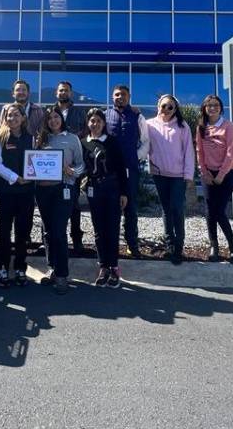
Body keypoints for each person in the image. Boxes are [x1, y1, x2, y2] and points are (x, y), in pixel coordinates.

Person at [35, 107, 84, 294]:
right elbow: (33, 162)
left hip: (64, 188)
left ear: (61, 119)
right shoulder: (41, 139)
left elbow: (81, 164)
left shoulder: (72, 138)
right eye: (49, 118)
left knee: (58, 231)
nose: (53, 120)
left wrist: (73, 172)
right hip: (43, 189)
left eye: (56, 117)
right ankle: (52, 268)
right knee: (47, 231)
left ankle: (62, 274)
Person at [79, 108, 128, 288]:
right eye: (92, 120)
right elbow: (80, 167)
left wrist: (124, 193)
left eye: (99, 121)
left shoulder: (112, 142)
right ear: (88, 123)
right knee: (98, 229)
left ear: (104, 123)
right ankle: (103, 266)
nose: (95, 124)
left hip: (112, 188)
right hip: (94, 189)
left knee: (112, 228)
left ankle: (114, 267)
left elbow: (122, 169)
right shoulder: (84, 143)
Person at [146, 94, 195, 265]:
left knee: (177, 209)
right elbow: (143, 144)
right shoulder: (149, 125)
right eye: (164, 105)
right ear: (158, 105)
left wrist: (189, 176)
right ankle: (170, 246)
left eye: (170, 107)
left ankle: (179, 247)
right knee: (166, 210)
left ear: (175, 110)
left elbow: (189, 151)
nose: (166, 109)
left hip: (177, 176)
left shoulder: (183, 126)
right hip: (159, 175)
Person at [0, 104, 35, 288]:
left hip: (26, 193)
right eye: (9, 115)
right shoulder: (0, 137)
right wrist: (15, 178)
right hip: (6, 192)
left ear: (23, 118)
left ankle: (20, 268)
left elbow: (37, 160)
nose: (12, 118)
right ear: (5, 118)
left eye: (16, 115)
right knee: (4, 232)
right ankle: (2, 268)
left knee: (23, 233)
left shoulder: (31, 138)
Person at [196, 94, 233, 264]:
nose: (212, 108)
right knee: (210, 211)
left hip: (226, 174)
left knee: (219, 211)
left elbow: (231, 153)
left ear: (221, 108)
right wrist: (204, 172)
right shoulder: (201, 127)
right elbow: (199, 151)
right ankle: (214, 246)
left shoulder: (228, 126)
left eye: (215, 105)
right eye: (209, 106)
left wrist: (221, 175)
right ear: (205, 109)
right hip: (208, 174)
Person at [105, 84, 149, 258]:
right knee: (111, 208)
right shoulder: (105, 115)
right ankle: (110, 244)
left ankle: (132, 244)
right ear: (112, 97)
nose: (119, 97)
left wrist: (134, 157)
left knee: (130, 209)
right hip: (109, 171)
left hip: (130, 170)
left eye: (123, 94)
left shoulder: (138, 116)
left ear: (129, 96)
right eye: (116, 95)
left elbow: (146, 142)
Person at [54, 80, 87, 254]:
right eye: (60, 90)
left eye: (66, 90)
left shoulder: (80, 113)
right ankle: (53, 238)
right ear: (56, 93)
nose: (63, 93)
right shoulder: (50, 112)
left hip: (72, 165)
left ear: (71, 93)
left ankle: (76, 240)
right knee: (53, 204)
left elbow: (84, 134)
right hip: (52, 168)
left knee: (73, 204)